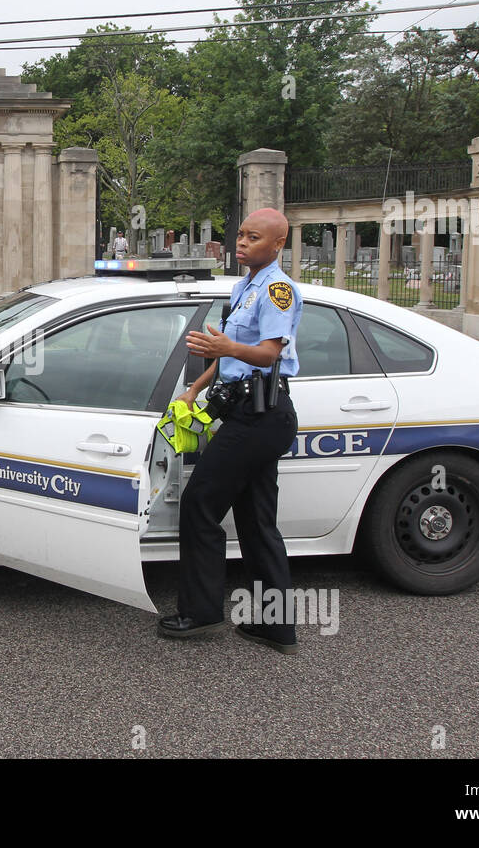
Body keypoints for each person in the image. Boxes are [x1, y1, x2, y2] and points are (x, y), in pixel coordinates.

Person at [157, 207, 303, 654]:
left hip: (261, 415)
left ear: (277, 244)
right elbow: (229, 357)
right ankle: (275, 627)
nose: (241, 243)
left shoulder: (278, 289)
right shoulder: (244, 287)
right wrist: (195, 389)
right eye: (240, 235)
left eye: (253, 237)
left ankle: (200, 612)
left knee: (200, 502)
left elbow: (268, 353)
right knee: (258, 522)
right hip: (246, 411)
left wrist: (227, 345)